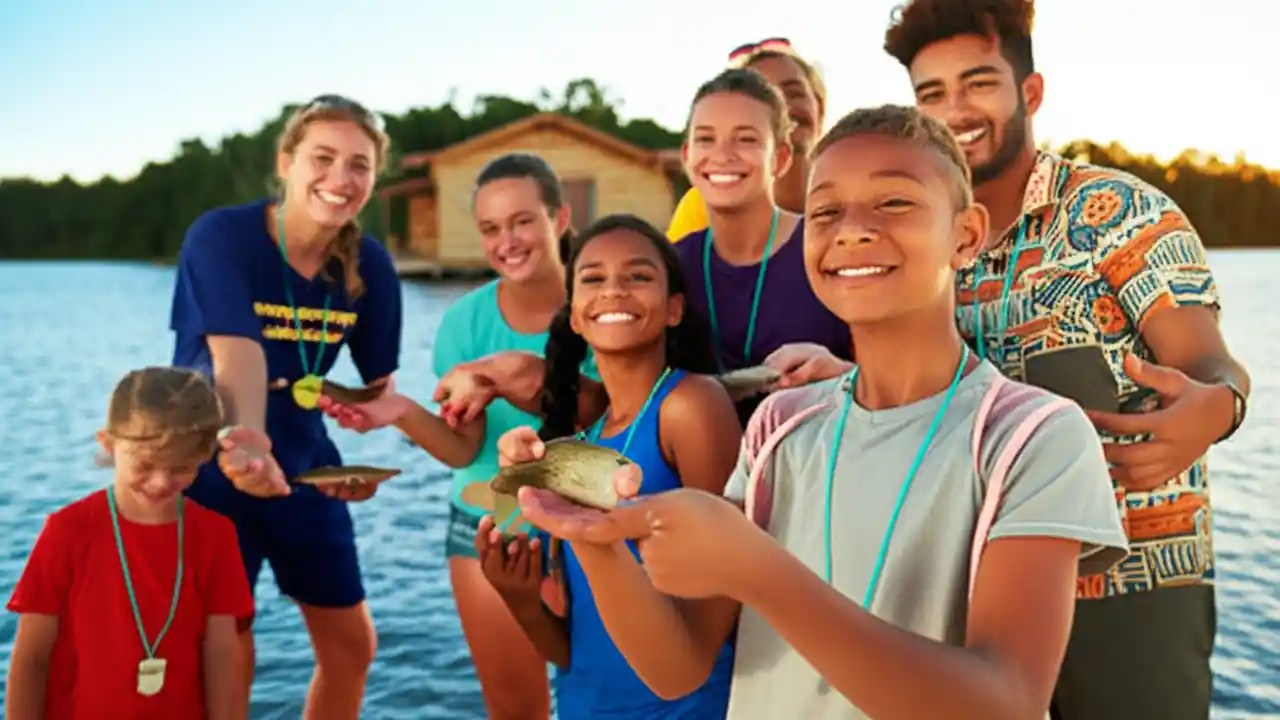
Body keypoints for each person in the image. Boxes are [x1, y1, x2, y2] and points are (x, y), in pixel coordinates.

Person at [503, 105, 1131, 720]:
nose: (851, 229)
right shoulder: (779, 428)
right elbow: (678, 667)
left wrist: (758, 571)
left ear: (965, 235)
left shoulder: (1032, 435)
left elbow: (1007, 702)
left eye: (894, 202)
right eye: (825, 210)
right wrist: (596, 540)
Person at [771, 4, 1253, 717]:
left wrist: (1218, 407)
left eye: (978, 84)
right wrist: (844, 377)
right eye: (932, 93)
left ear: (1029, 92)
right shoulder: (912, 234)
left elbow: (1209, 364)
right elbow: (941, 390)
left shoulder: (1119, 213)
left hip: (1129, 586)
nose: (955, 110)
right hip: (963, 578)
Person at [321, 152, 599, 719]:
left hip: (596, 525)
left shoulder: (603, 305)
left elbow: (617, 417)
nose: (507, 242)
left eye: (523, 221)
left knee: (607, 700)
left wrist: (512, 376)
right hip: (489, 530)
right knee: (516, 711)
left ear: (560, 218)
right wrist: (400, 410)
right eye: (491, 229)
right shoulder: (465, 323)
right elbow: (463, 448)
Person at [433, 68, 851, 428]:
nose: (722, 155)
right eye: (706, 139)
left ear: (780, 158)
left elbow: (890, 382)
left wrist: (842, 375)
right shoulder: (670, 265)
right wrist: (504, 374)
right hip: (702, 486)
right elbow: (621, 407)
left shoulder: (827, 249)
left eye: (745, 139)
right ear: (687, 155)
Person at [169, 94, 403, 719]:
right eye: (323, 158)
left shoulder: (370, 266)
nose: (340, 178)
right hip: (212, 468)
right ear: (286, 162)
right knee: (227, 646)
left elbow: (376, 391)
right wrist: (247, 442)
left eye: (359, 165)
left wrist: (366, 460)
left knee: (352, 645)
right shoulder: (223, 237)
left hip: (306, 469)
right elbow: (236, 354)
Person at [475, 213, 739, 719]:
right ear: (575, 315)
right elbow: (571, 652)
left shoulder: (690, 405)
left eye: (638, 276)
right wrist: (521, 600)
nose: (614, 290)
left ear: (674, 308)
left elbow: (727, 594)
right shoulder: (580, 447)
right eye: (593, 279)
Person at [6, 367, 254, 720]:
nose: (160, 482)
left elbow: (222, 652)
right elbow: (31, 658)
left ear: (205, 455)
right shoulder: (67, 531)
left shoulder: (216, 536)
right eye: (144, 465)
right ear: (108, 444)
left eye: (180, 468)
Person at [666, 37, 828, 242]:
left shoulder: (852, 193)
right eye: (762, 97)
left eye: (793, 92)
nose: (782, 108)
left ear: (819, 108)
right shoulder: (701, 208)